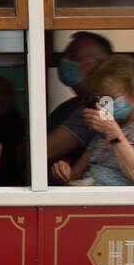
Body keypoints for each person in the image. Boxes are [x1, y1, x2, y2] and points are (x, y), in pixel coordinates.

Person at [51, 54, 134, 186]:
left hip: (126, 204)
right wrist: (63, 170)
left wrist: (113, 133)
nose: (105, 105)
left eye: (111, 98)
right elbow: (75, 175)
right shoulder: (107, 128)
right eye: (102, 99)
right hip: (90, 198)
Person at [47, 31, 113, 165]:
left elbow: (39, 153)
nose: (64, 62)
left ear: (100, 64)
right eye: (63, 56)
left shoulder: (101, 106)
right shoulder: (68, 105)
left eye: (73, 56)